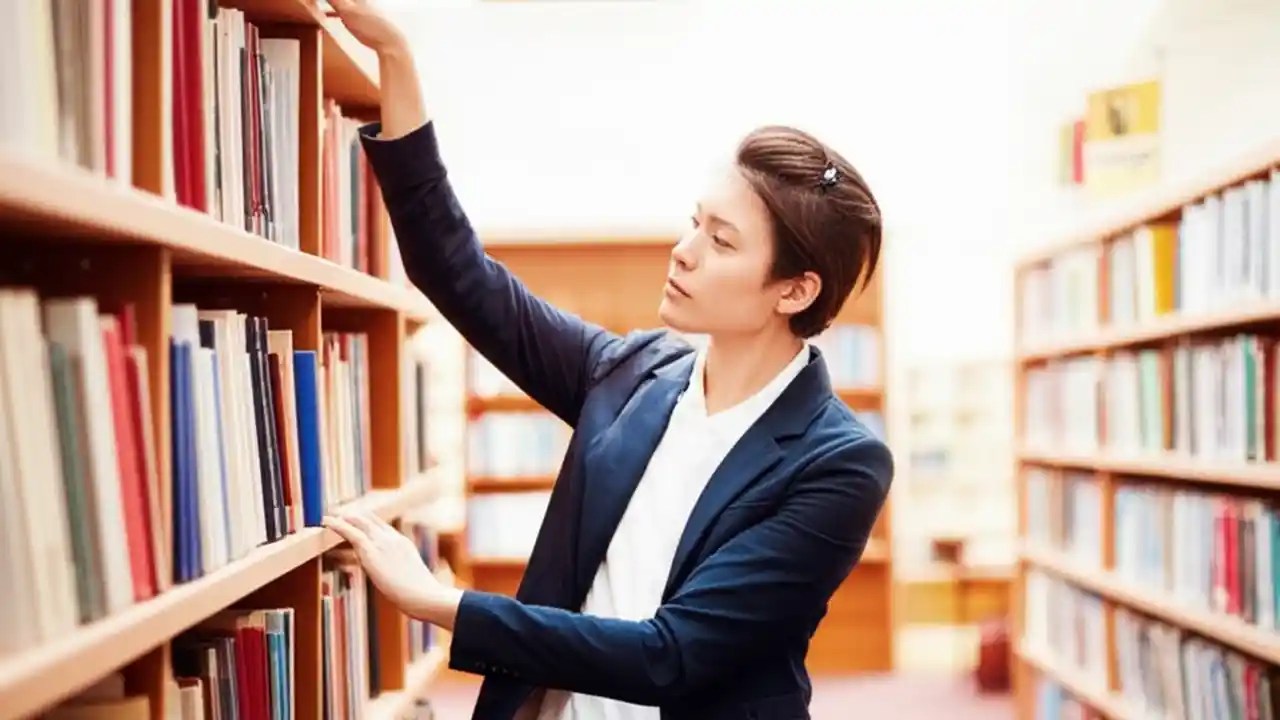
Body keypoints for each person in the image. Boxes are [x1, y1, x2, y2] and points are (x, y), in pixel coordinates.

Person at [321, 2, 894, 719]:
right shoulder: (629, 376)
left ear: (794, 289)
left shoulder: (839, 462)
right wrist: (397, 60)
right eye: (695, 225)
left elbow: (671, 656)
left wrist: (439, 603)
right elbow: (455, 272)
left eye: (721, 241)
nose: (683, 252)